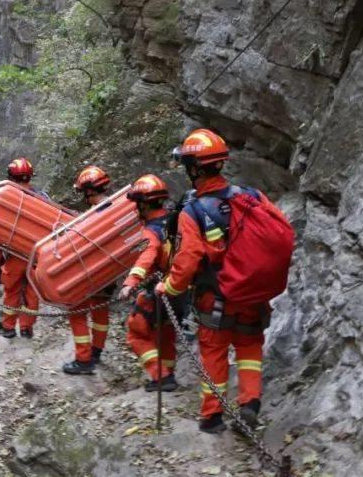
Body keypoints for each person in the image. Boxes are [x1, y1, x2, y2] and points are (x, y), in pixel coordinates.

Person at [157, 128, 284, 433]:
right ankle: (250, 404)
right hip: (253, 293)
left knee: (213, 352)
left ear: (194, 169)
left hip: (216, 297)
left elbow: (187, 261)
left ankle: (213, 417)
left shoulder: (193, 211)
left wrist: (169, 287)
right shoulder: (252, 196)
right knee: (249, 347)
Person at [118, 174, 178, 392]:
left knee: (137, 332)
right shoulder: (174, 221)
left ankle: (160, 376)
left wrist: (130, 282)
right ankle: (169, 373)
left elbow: (147, 256)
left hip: (159, 290)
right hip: (181, 289)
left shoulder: (151, 231)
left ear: (143, 204)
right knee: (166, 333)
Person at [62, 165, 113, 374]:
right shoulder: (113, 207)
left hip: (92, 270)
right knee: (101, 309)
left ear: (89, 190)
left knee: (77, 310)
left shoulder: (97, 213)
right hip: (109, 271)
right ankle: (96, 351)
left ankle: (84, 360)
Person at [1, 158, 43, 338]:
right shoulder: (42, 198)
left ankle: (8, 328)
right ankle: (26, 328)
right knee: (32, 293)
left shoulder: (4, 199)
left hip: (15, 254)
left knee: (12, 291)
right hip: (36, 255)